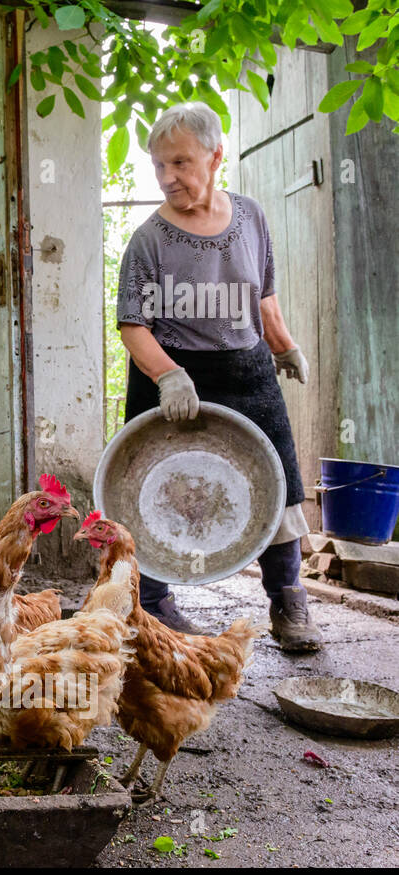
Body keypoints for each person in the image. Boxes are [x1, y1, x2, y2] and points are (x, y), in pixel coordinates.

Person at [116, 101, 322, 653]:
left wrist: (284, 346)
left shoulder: (251, 217)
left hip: (246, 369)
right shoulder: (148, 240)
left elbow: (265, 295)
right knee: (154, 489)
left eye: (180, 163)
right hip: (174, 373)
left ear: (215, 156)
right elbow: (133, 327)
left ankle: (287, 599)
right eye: (159, 165)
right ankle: (154, 607)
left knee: (278, 483)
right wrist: (168, 376)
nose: (167, 177)